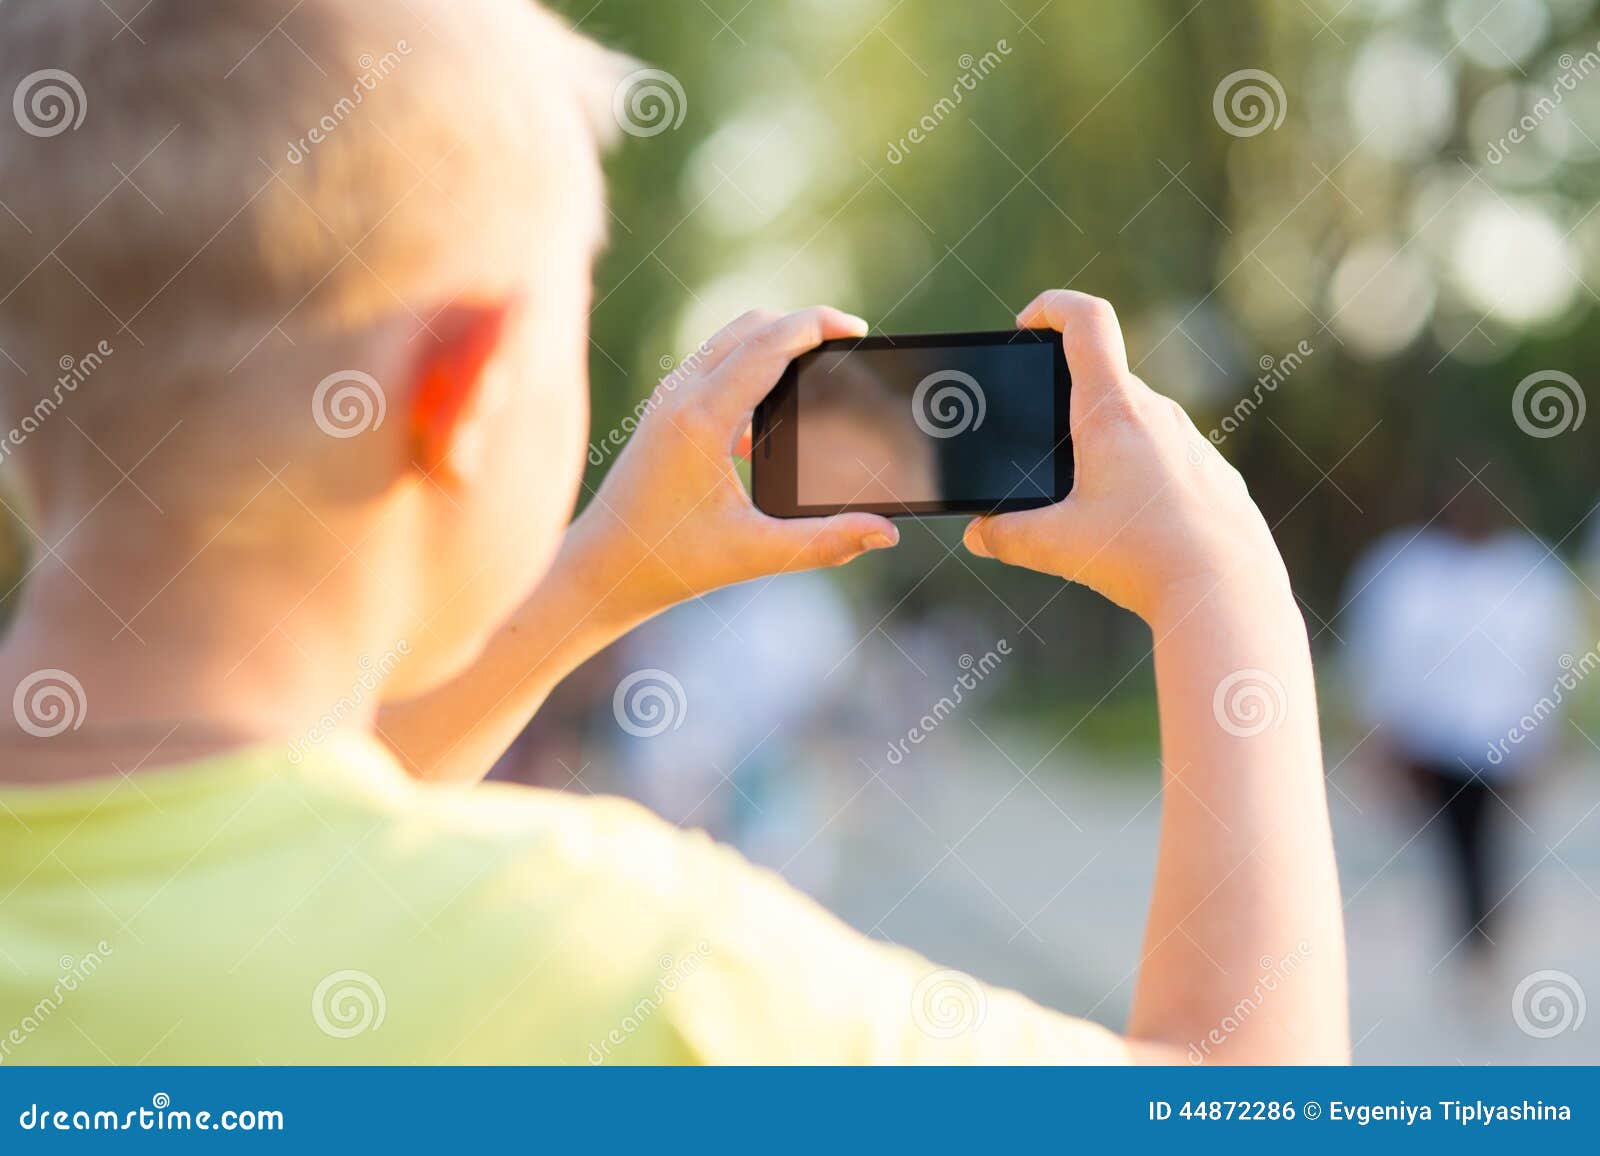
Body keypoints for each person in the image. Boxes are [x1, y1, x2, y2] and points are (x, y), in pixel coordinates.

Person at [0, 0, 1347, 1063]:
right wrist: (1226, 595)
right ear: (462, 392)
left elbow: (238, 841)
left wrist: (599, 579)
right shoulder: (635, 975)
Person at [1343, 485, 1580, 968]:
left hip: (1505, 739)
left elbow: (1551, 660)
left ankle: (1480, 933)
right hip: (1432, 741)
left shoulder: (1527, 570)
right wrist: (1378, 735)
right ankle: (1475, 933)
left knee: (1485, 842)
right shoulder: (1407, 570)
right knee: (1456, 843)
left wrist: (1549, 736)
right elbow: (1380, 657)